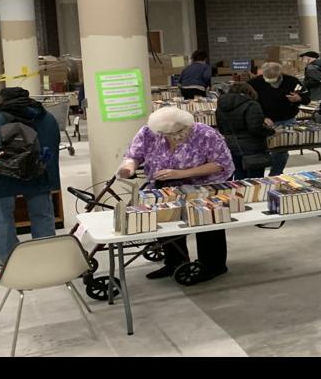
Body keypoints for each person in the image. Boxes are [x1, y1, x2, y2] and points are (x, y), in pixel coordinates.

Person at [118, 106, 236, 283]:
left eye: (175, 132)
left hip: (203, 187)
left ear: (186, 126)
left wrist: (180, 173)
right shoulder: (148, 132)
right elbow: (134, 155)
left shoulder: (206, 134)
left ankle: (213, 266)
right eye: (164, 133)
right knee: (167, 224)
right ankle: (175, 263)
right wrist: (128, 167)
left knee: (207, 226)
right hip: (164, 188)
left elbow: (221, 164)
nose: (170, 136)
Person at [0, 87, 62, 287]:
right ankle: (46, 257)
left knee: (2, 219)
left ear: (2, 101)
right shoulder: (46, 117)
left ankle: (9, 260)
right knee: (42, 216)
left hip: (2, 176)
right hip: (37, 175)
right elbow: (53, 144)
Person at [247, 60, 308, 176]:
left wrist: (298, 98)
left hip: (286, 119)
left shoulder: (292, 81)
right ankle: (258, 177)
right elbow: (249, 103)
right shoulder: (254, 83)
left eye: (273, 78)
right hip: (262, 121)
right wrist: (262, 117)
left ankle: (276, 175)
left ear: (280, 73)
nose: (270, 81)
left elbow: (307, 98)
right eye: (267, 78)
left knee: (281, 151)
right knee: (260, 149)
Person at [216, 82, 275, 179]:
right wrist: (271, 131)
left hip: (232, 146)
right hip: (253, 148)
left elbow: (221, 129)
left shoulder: (221, 107)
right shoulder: (251, 105)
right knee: (255, 181)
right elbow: (255, 128)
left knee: (239, 179)